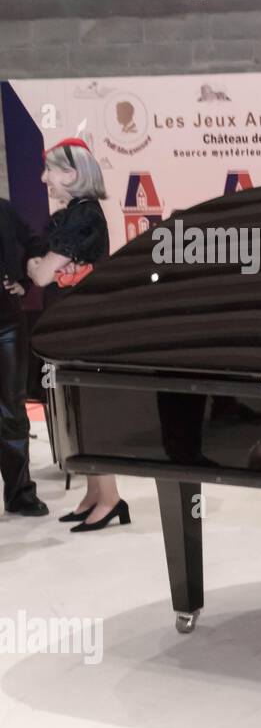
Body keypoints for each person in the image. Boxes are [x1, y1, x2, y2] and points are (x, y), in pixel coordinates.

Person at [22, 138, 126, 530]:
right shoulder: (76, 215)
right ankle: (97, 494)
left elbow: (44, 273)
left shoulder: (82, 217)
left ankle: (110, 498)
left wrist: (36, 266)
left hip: (82, 326)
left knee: (89, 410)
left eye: (50, 169)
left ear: (71, 173)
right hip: (73, 324)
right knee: (80, 411)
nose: (43, 177)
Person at [0, 199, 47, 516]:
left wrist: (25, 281)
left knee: (11, 408)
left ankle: (19, 493)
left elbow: (35, 243)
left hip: (6, 323)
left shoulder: (2, 209)